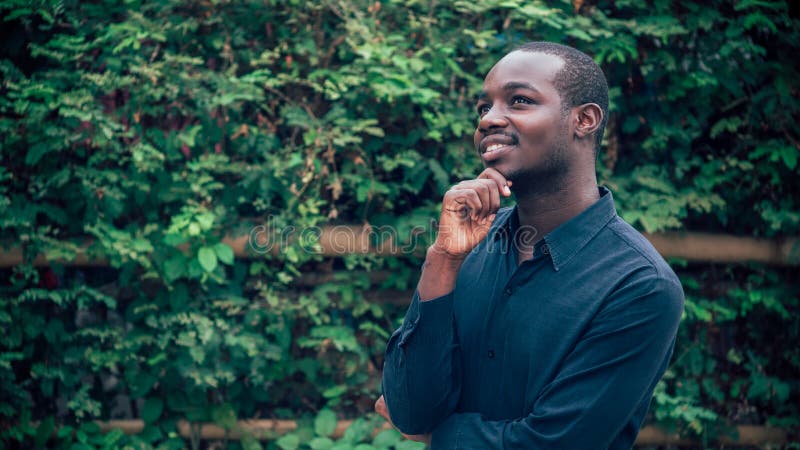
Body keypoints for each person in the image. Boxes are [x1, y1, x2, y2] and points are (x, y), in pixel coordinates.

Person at [374, 41, 685, 449]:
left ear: (585, 120)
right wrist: (443, 260)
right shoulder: (466, 246)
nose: (488, 120)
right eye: (484, 108)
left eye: (519, 101)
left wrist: (438, 436)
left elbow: (553, 444)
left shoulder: (639, 286)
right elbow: (409, 409)